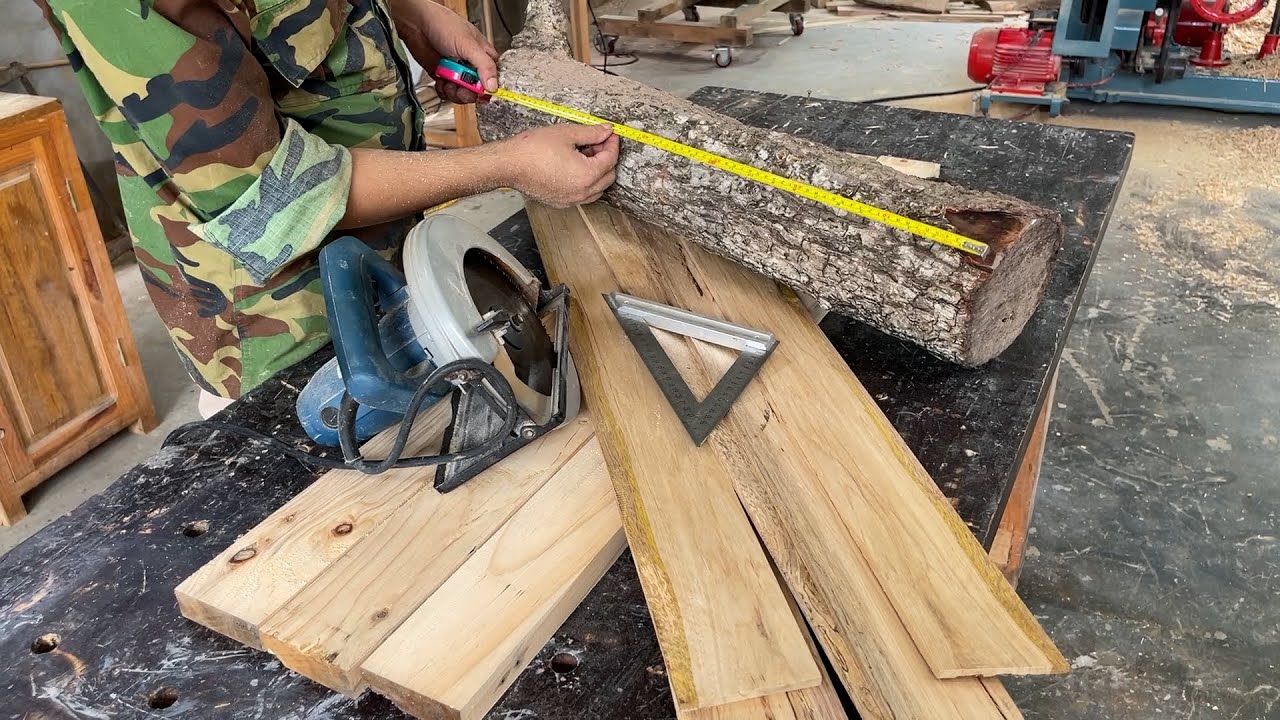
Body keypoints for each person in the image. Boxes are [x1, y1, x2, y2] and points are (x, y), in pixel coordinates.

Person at [35, 0, 619, 416]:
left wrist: (410, 13)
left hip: (392, 255)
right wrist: (507, 166)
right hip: (289, 319)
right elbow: (274, 196)